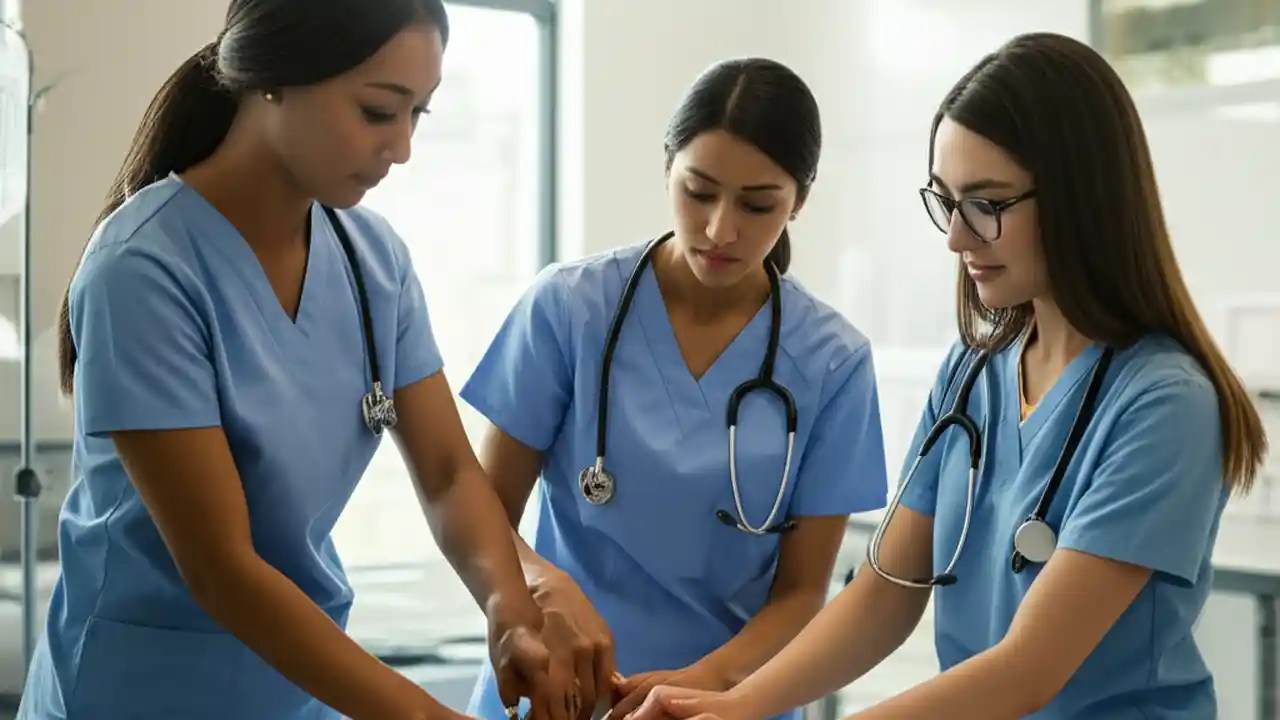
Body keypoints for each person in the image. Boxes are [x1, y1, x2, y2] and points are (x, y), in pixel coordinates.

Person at [632, 32, 1270, 720]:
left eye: (987, 205)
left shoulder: (1165, 404)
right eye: (946, 201)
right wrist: (734, 705)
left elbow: (1026, 672)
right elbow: (885, 593)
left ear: (1080, 198)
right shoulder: (975, 371)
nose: (956, 238)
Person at [17, 2, 576, 719]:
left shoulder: (374, 261)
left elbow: (446, 473)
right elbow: (224, 570)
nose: (402, 147)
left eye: (419, 115)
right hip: (139, 689)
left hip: (293, 685)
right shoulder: (143, 270)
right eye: (379, 112)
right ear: (274, 79)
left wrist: (508, 606)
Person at [459, 57, 889, 720]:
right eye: (699, 190)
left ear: (799, 200)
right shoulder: (570, 309)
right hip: (554, 691)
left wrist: (704, 682)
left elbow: (803, 593)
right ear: (667, 167)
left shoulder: (832, 362)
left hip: (727, 703)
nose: (722, 229)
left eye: (758, 204)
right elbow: (479, 513)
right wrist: (543, 591)